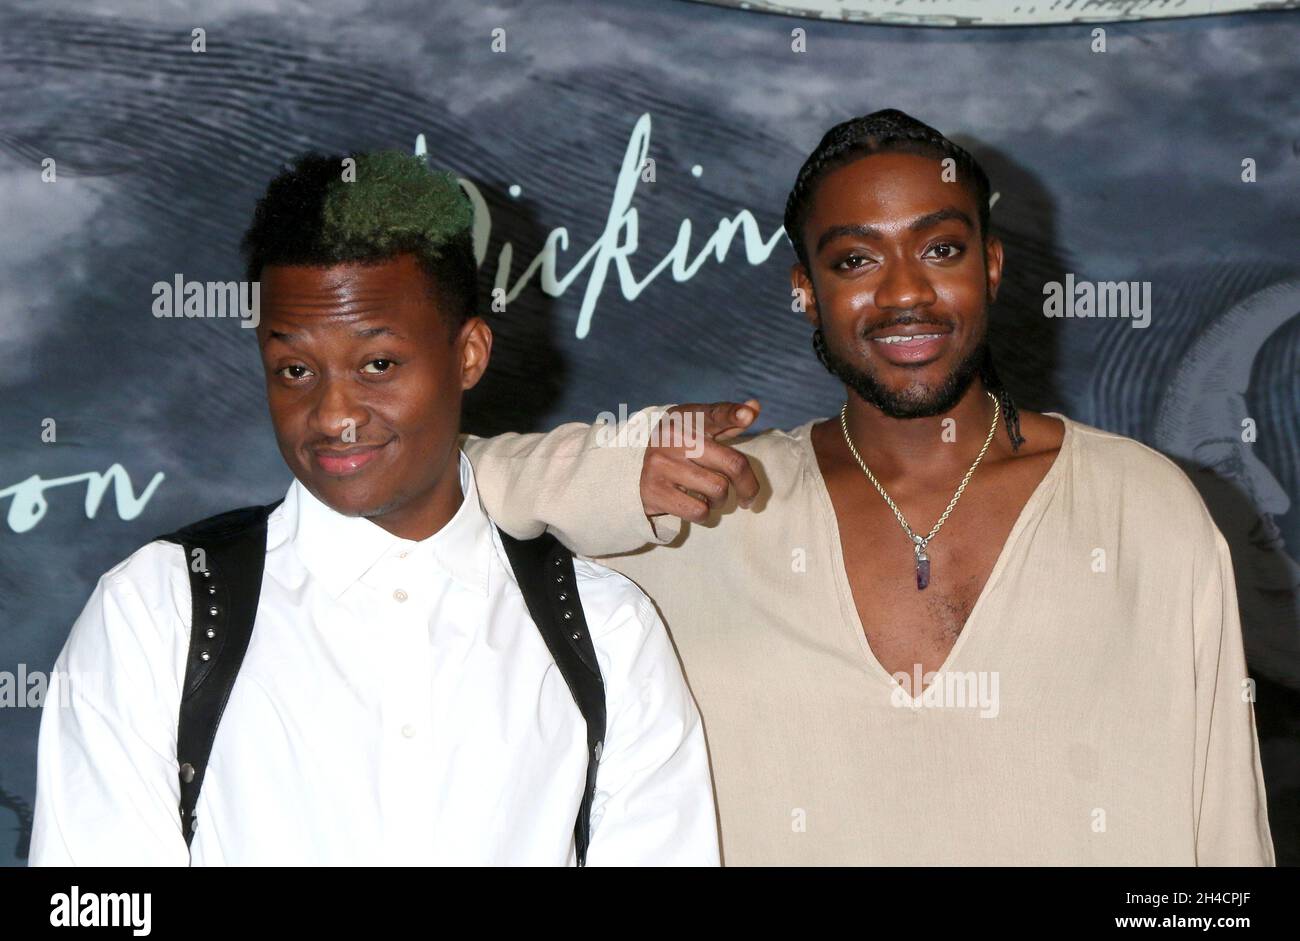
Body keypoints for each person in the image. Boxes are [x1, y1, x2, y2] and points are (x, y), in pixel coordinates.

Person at [463, 109, 1275, 865]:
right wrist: (611, 467)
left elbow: (1224, 832)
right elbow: (424, 491)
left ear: (991, 268)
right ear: (805, 291)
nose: (904, 293)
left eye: (941, 249)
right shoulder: (703, 508)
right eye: (855, 259)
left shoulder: (1143, 508)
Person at [30, 151, 718, 866]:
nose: (333, 416)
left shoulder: (605, 629)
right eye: (295, 369)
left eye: (378, 365)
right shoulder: (159, 610)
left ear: (470, 354)